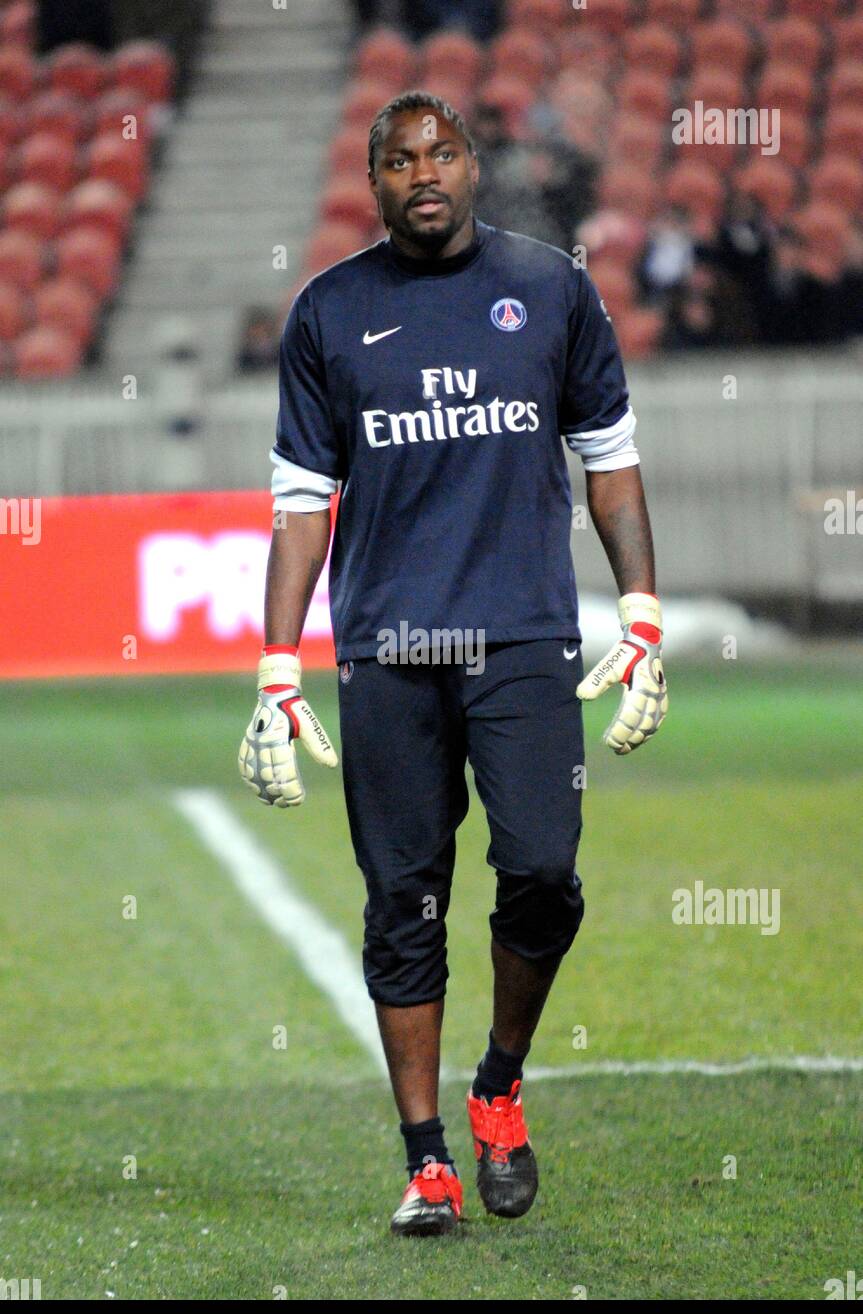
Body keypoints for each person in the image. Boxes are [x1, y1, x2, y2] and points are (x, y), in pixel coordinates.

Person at [238, 91, 668, 1236]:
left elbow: (610, 461)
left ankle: (499, 1083)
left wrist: (640, 613)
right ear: (371, 181)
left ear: (473, 166)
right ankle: (426, 1156)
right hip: (385, 647)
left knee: (540, 871)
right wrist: (277, 666)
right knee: (402, 900)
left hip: (522, 633)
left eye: (439, 152)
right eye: (396, 158)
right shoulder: (327, 312)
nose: (420, 171)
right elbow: (297, 506)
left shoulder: (551, 288)